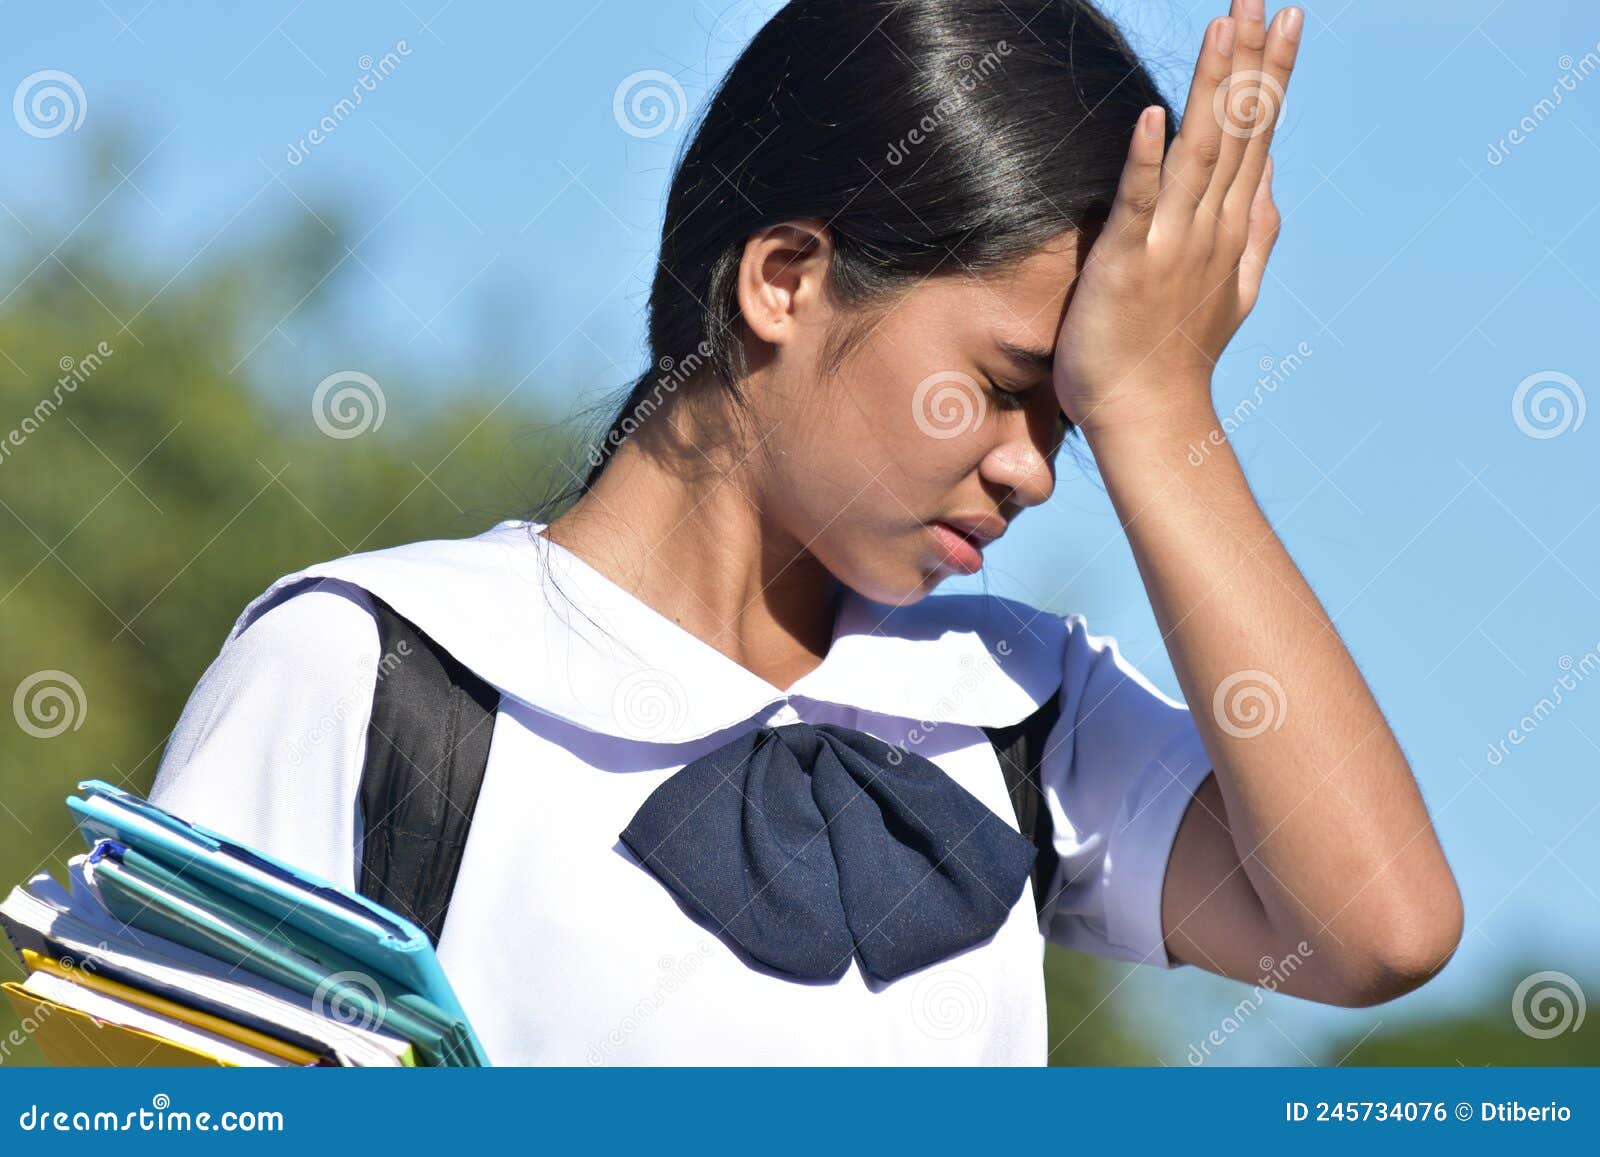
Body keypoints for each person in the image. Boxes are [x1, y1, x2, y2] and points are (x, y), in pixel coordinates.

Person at [148, 0, 1463, 1065]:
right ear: (786, 279)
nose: (1034, 471)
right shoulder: (379, 669)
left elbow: (1377, 930)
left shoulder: (1013, 705)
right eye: (1011, 388)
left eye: (1077, 417)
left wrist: (1162, 408)